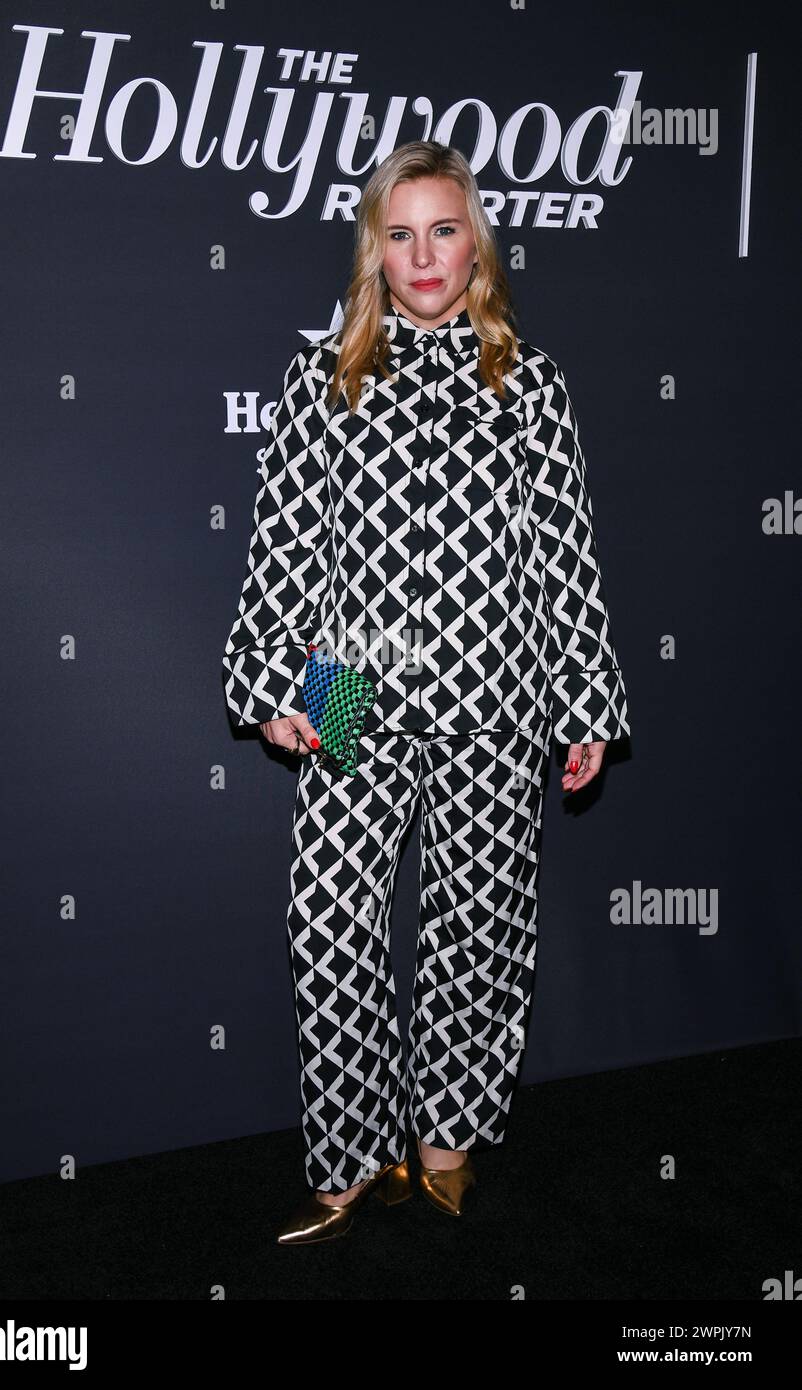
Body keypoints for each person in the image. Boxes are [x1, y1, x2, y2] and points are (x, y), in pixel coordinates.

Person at [221, 139, 631, 1245]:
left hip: (497, 683)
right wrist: (270, 675)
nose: (421, 254)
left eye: (442, 229)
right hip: (349, 679)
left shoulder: (527, 382)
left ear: (475, 244)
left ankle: (445, 1138)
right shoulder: (329, 375)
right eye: (397, 233)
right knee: (328, 920)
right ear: (375, 248)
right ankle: (350, 1151)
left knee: (480, 923)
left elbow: (563, 554)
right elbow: (285, 547)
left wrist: (583, 698)